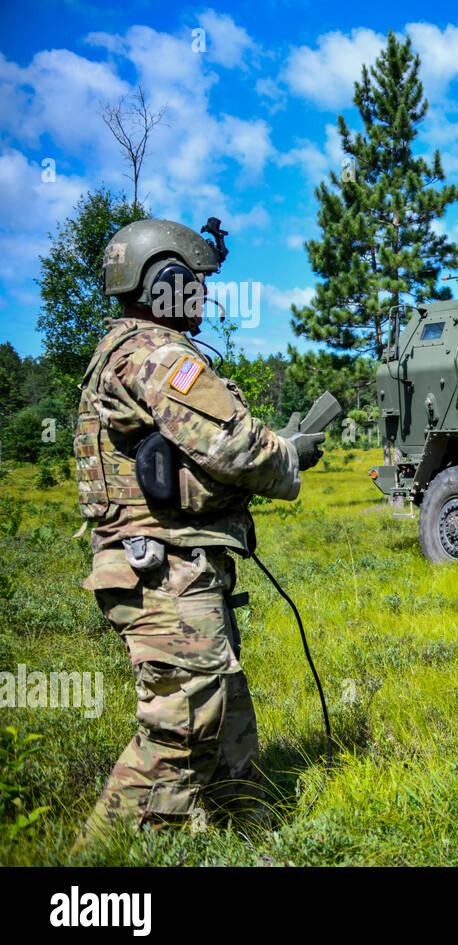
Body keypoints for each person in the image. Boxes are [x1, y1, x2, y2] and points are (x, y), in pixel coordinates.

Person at [75, 218, 326, 842]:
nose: (205, 296)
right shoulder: (158, 355)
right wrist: (290, 453)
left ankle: (248, 840)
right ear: (165, 282)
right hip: (164, 571)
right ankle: (98, 867)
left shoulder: (131, 351)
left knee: (226, 712)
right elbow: (234, 446)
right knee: (181, 728)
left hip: (176, 564)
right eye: (195, 282)